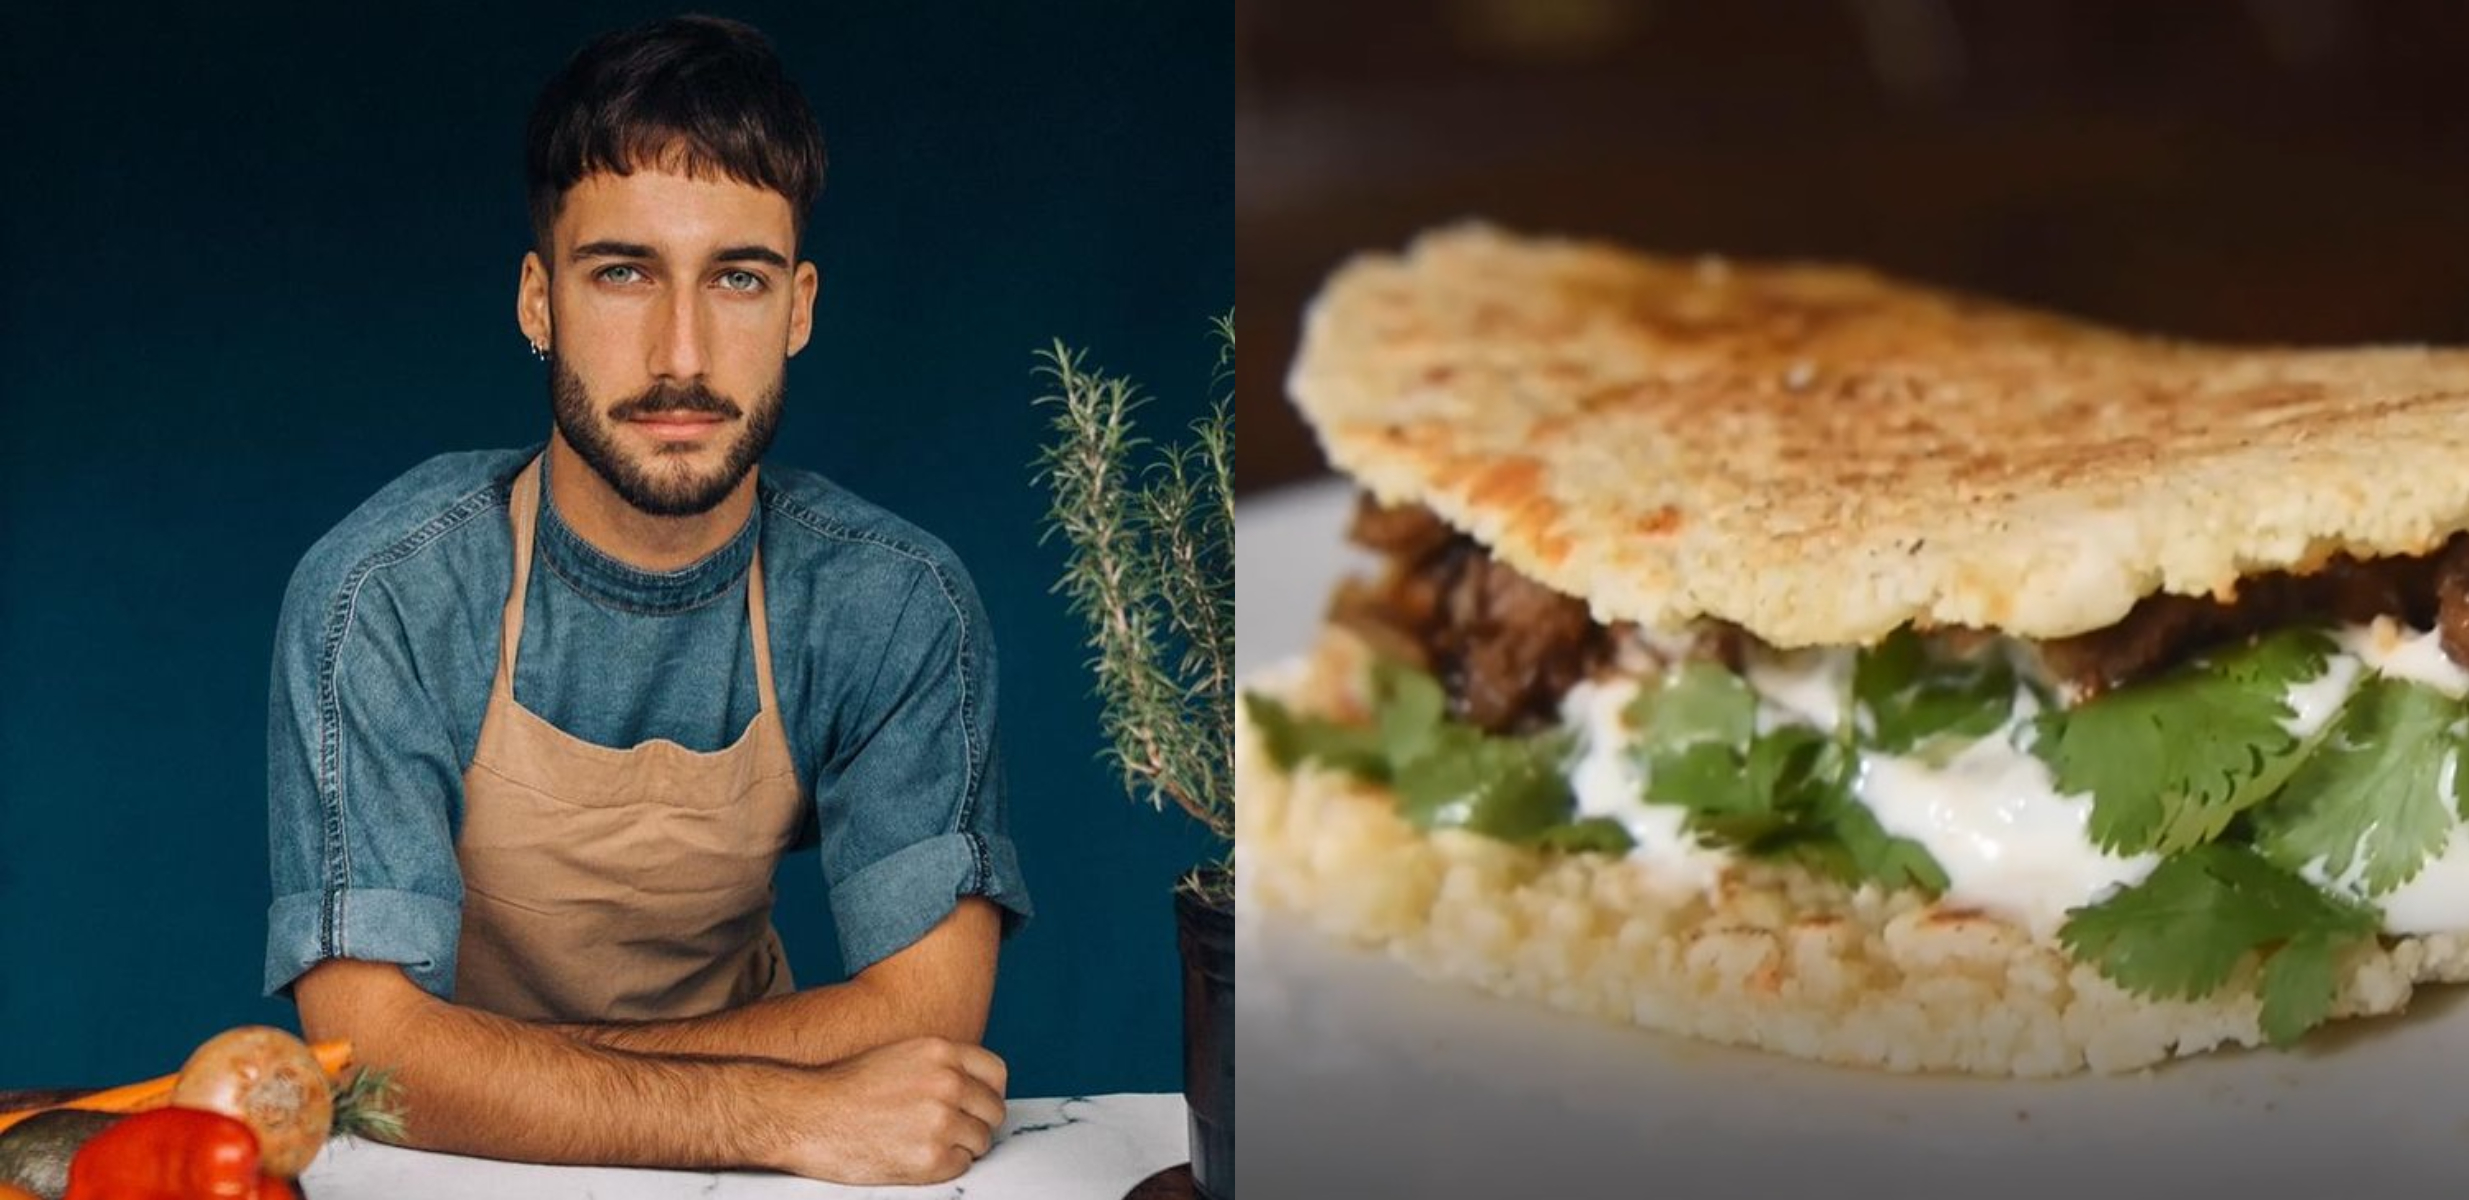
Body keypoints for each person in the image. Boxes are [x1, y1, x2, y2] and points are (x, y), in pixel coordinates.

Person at [260, 14, 1031, 1185]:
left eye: (738, 277)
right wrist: (778, 1115)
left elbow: (927, 1015)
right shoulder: (389, 595)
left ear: (801, 307)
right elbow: (366, 1053)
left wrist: (497, 1070)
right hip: (465, 1170)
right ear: (537, 301)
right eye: (623, 272)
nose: (683, 351)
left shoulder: (892, 600)